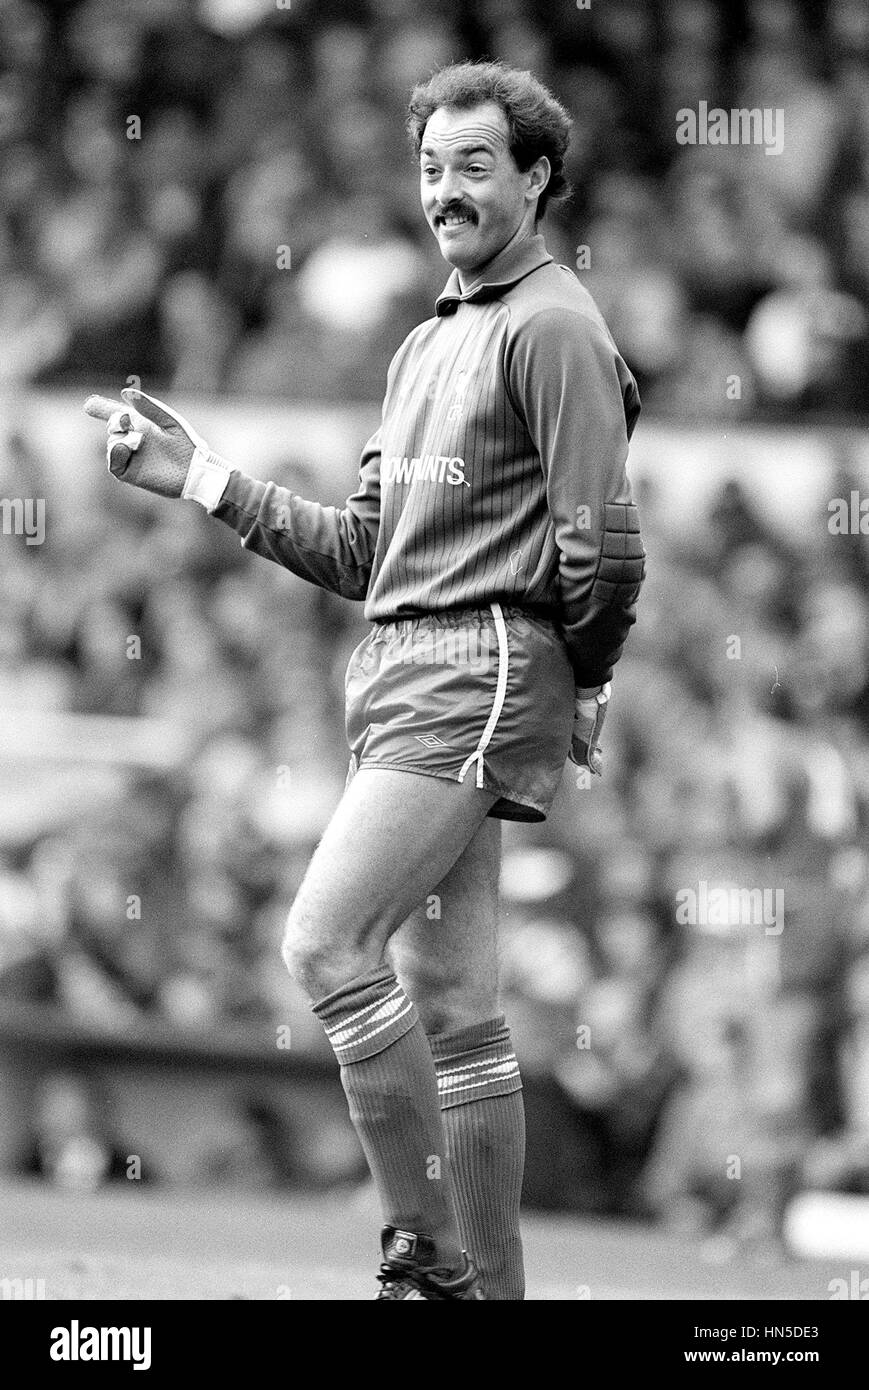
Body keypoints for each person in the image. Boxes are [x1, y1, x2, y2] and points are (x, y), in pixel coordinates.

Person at [84, 59, 645, 1300]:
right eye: (432, 166)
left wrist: (586, 677)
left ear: (537, 177)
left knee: (326, 942)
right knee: (454, 1002)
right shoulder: (423, 343)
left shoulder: (553, 326)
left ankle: (423, 1254)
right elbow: (359, 550)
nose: (444, 190)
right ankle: (488, 1292)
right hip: (406, 669)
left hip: (474, 665)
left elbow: (602, 544)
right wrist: (203, 480)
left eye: (475, 165)